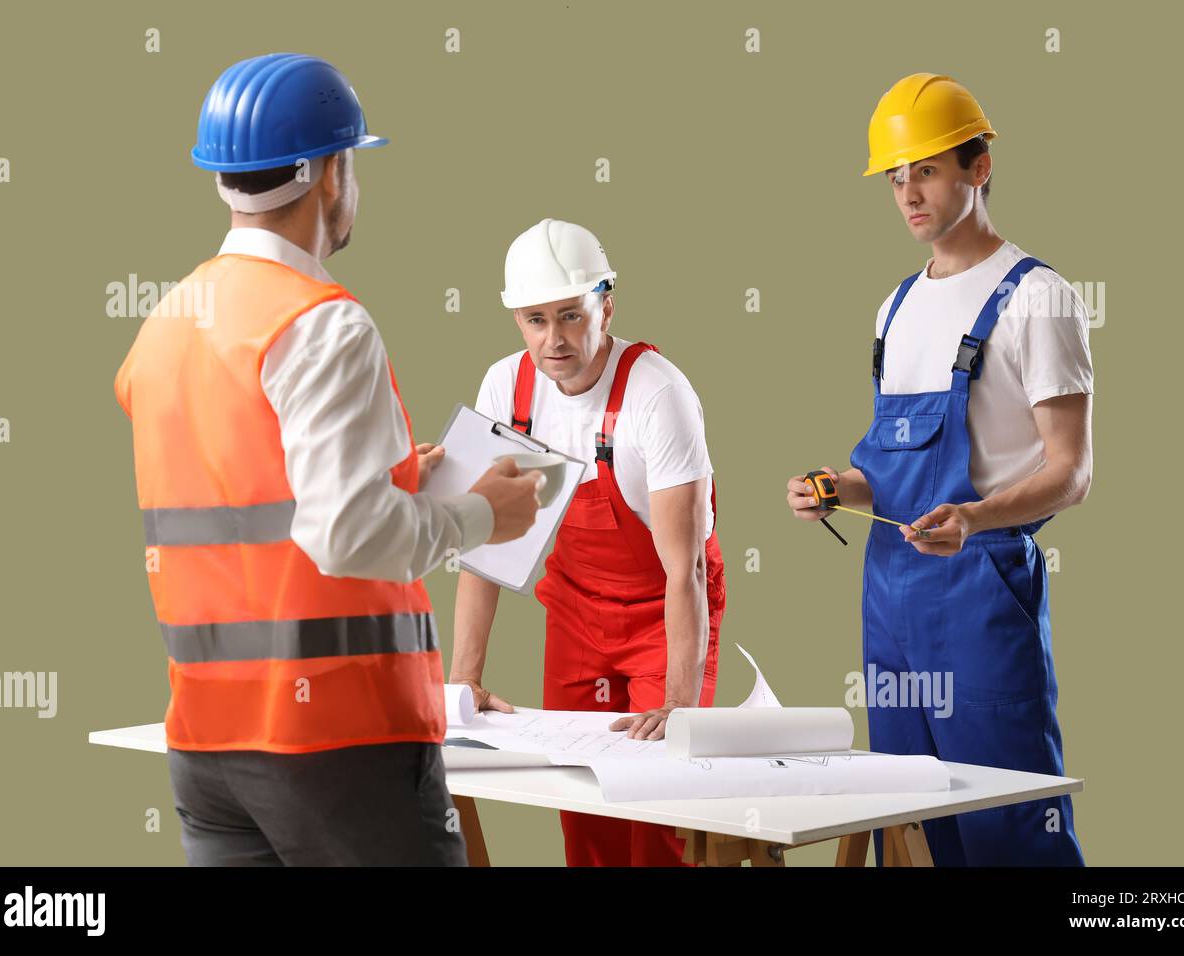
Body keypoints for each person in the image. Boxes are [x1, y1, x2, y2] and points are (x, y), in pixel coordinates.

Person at [113, 53, 541, 866]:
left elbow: (241, 492)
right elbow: (344, 535)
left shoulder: (166, 323)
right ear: (330, 176)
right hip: (342, 740)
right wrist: (485, 514)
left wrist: (385, 476)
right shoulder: (322, 322)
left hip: (208, 747)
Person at [785, 73, 1091, 866]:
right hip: (890, 595)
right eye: (896, 177)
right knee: (908, 816)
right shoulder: (894, 307)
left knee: (1007, 816)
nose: (908, 193)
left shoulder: (1039, 298)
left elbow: (1072, 472)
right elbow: (885, 471)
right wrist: (833, 490)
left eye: (925, 170)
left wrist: (975, 519)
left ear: (978, 166)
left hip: (981, 592)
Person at [450, 219, 726, 866]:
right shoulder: (505, 390)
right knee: (583, 808)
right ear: (517, 317)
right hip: (576, 612)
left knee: (659, 808)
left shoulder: (659, 396)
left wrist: (679, 704)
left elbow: (684, 571)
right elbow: (485, 547)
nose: (554, 340)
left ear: (607, 301)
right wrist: (463, 682)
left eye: (571, 315)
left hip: (666, 613)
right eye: (536, 319)